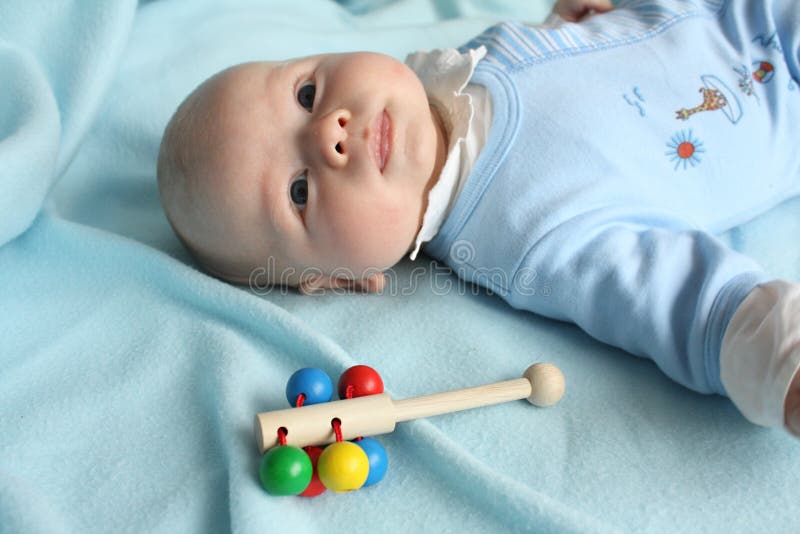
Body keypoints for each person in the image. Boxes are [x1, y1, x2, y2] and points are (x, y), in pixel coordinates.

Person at [156, 0, 800, 437]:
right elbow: (700, 309)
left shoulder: (451, 69)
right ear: (342, 278)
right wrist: (783, 370)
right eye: (299, 192)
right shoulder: (529, 240)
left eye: (306, 95)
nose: (331, 132)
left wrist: (568, 20)